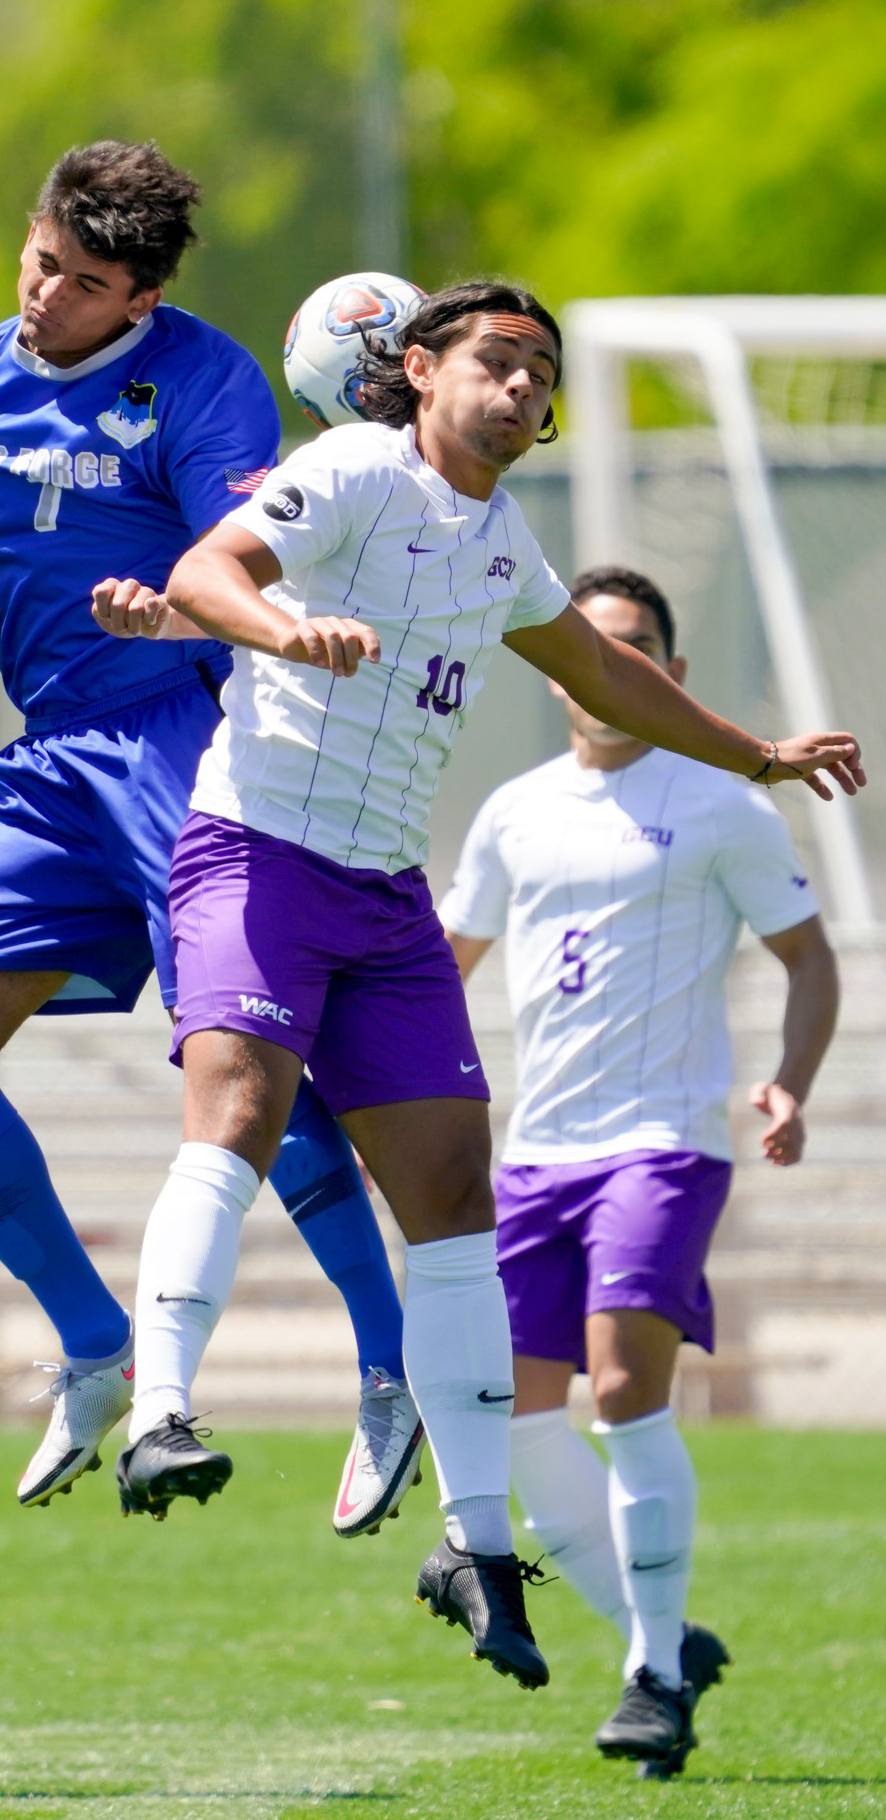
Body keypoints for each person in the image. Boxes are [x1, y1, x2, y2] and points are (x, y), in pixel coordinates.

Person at [92, 280, 863, 1694]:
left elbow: (604, 677)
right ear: (420, 369)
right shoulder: (344, 471)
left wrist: (757, 756)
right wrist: (278, 635)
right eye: (498, 360)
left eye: (539, 373)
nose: (521, 387)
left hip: (384, 895)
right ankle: (159, 1412)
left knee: (453, 1199)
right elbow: (209, 573)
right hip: (258, 852)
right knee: (242, 1111)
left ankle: (473, 1537)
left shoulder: (502, 541)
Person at [0, 139, 421, 1538]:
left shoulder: (201, 378)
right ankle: (92, 1338)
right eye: (39, 256)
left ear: (140, 301)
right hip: (52, 766)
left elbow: (247, 573)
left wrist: (170, 611)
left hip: (189, 744)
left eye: (81, 283)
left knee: (240, 1065)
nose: (41, 292)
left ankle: (390, 1363)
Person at [437, 564, 840, 1771]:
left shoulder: (721, 802)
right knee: (511, 1418)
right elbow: (442, 964)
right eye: (593, 643)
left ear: (671, 671)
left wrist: (789, 1078)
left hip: (660, 1145)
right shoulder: (513, 811)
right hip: (536, 1157)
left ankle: (654, 1676)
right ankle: (650, 1636)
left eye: (641, 646)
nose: (614, 663)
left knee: (621, 1390)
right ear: (560, 665)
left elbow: (811, 960)